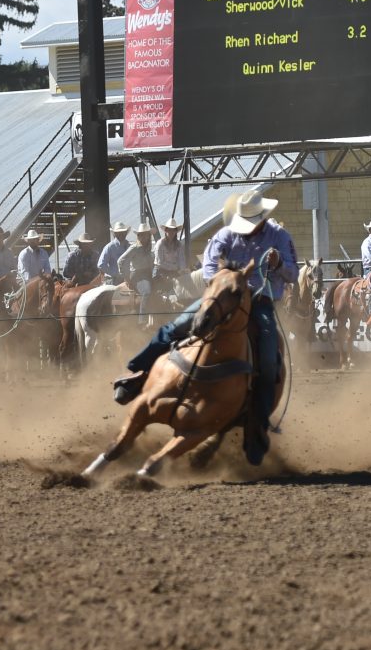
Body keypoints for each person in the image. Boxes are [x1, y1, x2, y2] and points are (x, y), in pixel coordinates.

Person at [112, 194, 298, 462]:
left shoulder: (279, 237)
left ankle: (257, 424)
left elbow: (294, 272)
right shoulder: (225, 235)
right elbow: (209, 269)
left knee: (269, 357)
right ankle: (137, 375)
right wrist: (228, 284)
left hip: (259, 304)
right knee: (177, 326)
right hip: (222, 299)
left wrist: (279, 264)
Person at [154, 217, 189, 293]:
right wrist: (175, 267)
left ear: (176, 232)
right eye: (169, 230)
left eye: (173, 230)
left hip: (175, 271)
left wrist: (182, 270)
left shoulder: (179, 244)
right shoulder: (160, 244)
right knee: (168, 285)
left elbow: (182, 260)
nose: (171, 232)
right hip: (161, 271)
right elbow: (160, 263)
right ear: (166, 231)